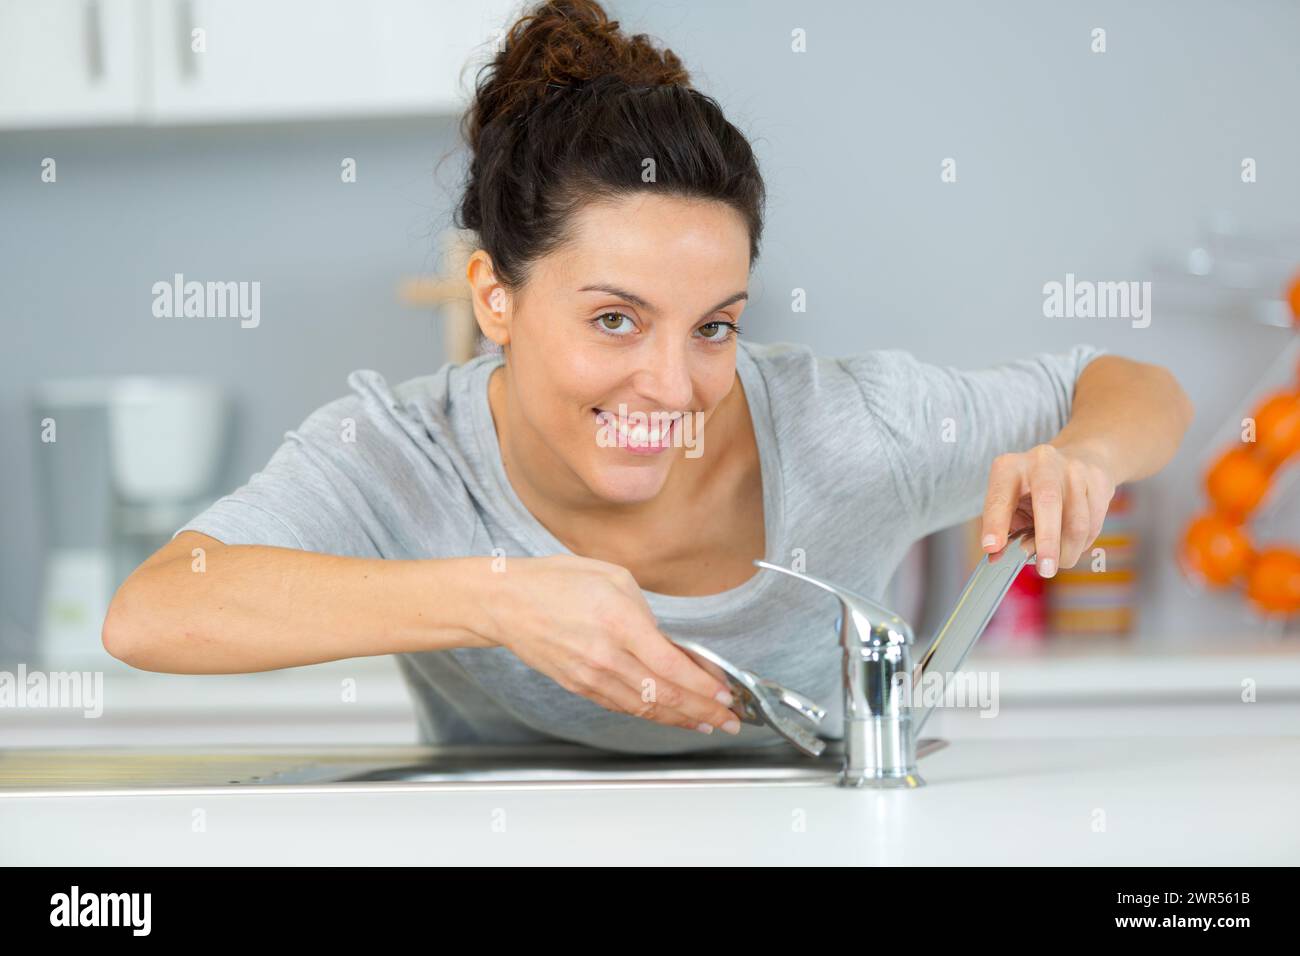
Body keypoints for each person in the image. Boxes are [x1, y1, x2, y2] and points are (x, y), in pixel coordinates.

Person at [103, 0, 1192, 754]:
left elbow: (1131, 382)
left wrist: (1086, 453)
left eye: (714, 326)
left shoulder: (846, 429)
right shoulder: (399, 456)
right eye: (615, 319)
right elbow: (154, 611)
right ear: (495, 297)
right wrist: (496, 598)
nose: (671, 386)